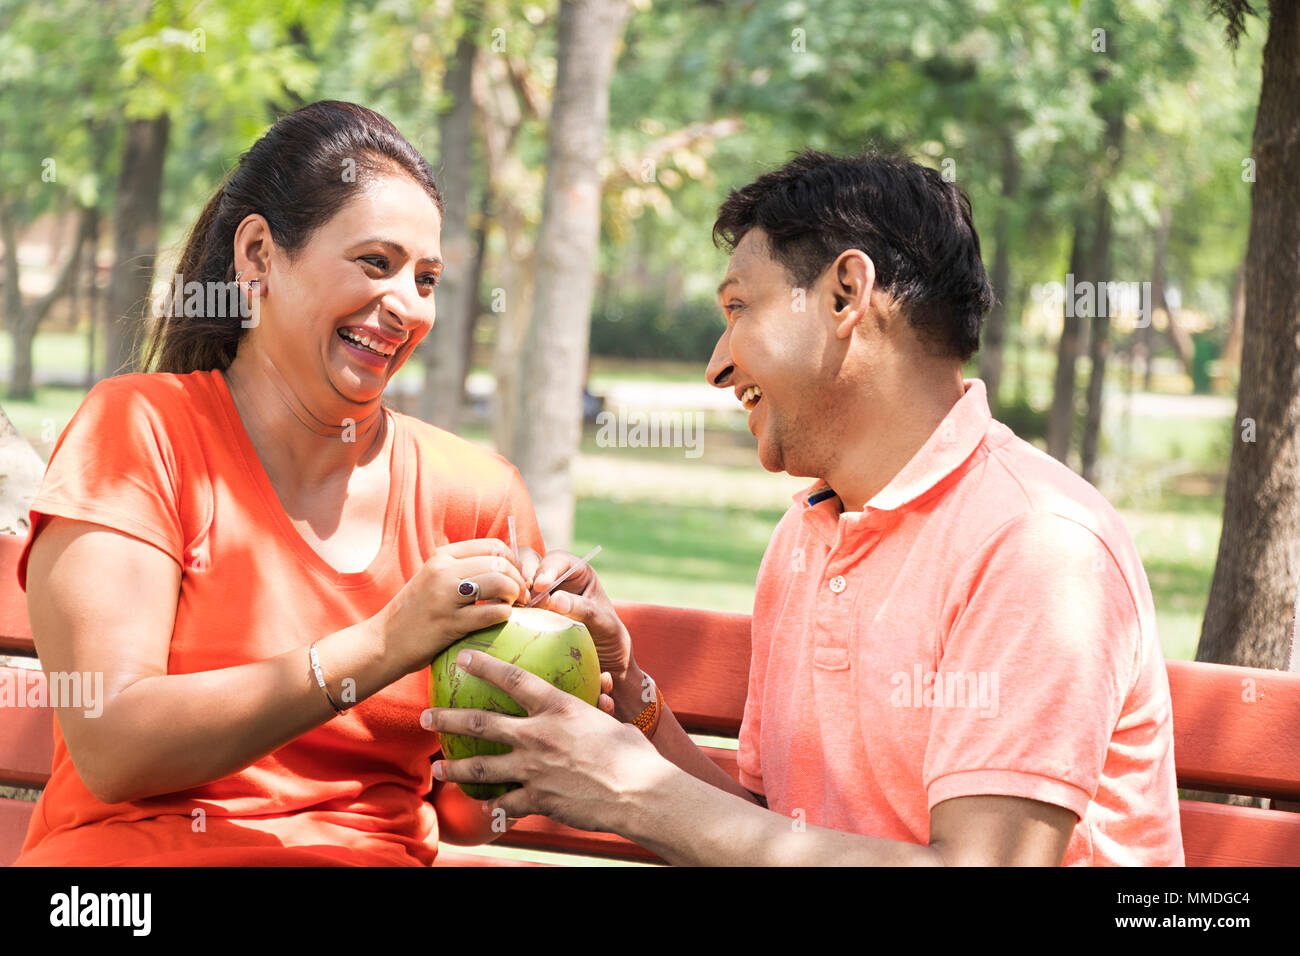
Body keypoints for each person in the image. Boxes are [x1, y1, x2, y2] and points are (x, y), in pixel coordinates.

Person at [424, 150, 1186, 866]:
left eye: (738, 308)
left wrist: (635, 794)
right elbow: (771, 834)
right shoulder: (809, 532)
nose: (718, 365)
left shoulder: (1037, 547)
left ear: (845, 295)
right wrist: (633, 702)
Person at [13, 100, 595, 866]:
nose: (406, 307)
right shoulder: (144, 430)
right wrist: (383, 644)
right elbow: (115, 746)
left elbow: (464, 811)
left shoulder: (475, 495)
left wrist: (566, 712)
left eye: (426, 278)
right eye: (374, 263)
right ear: (257, 255)